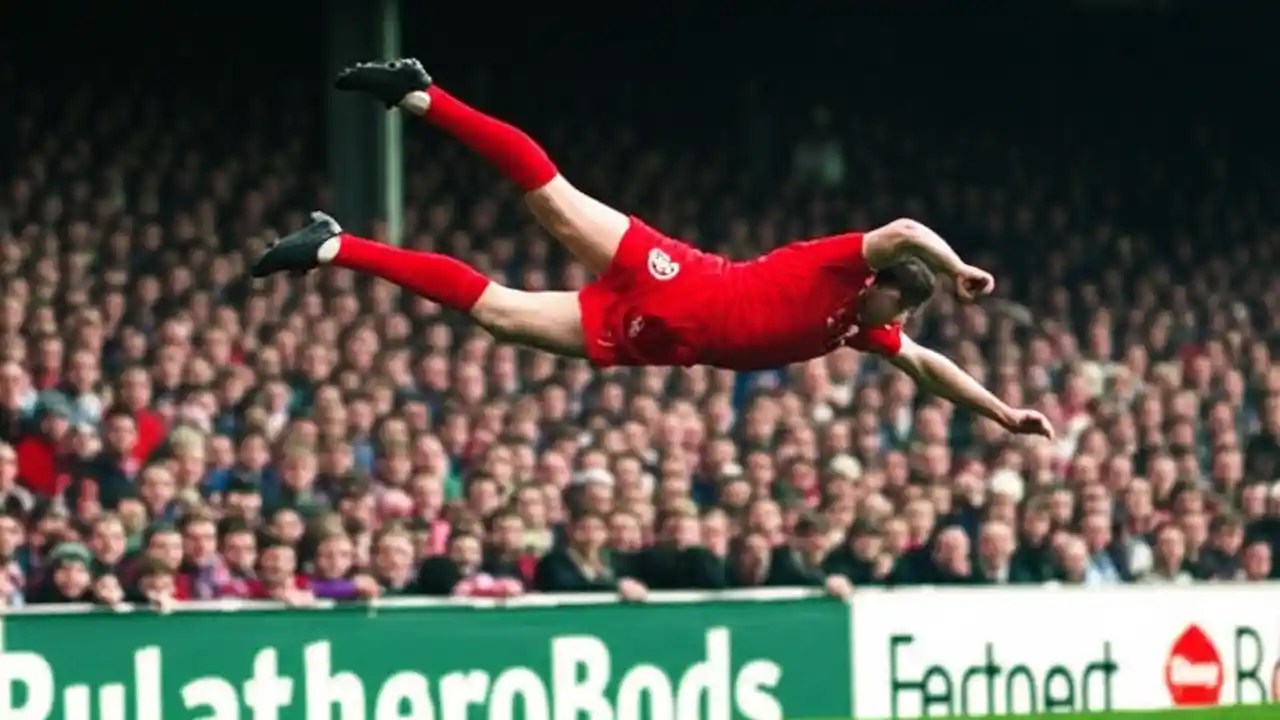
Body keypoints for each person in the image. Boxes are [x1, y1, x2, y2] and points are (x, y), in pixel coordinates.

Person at [253, 58, 1052, 439]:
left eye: (900, 304)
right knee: (554, 204)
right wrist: (960, 267)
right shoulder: (848, 262)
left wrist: (1003, 413)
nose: (894, 313)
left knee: (498, 317)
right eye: (899, 298)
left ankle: (335, 245)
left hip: (659, 339)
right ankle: (422, 93)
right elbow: (908, 230)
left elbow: (930, 368)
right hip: (679, 276)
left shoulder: (861, 325)